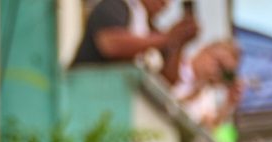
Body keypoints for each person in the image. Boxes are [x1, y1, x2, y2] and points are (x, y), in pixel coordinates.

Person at [72, 0, 201, 82]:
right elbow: (110, 45)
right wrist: (167, 38)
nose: (165, 3)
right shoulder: (116, 5)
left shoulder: (151, 30)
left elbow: (169, 79)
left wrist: (178, 43)